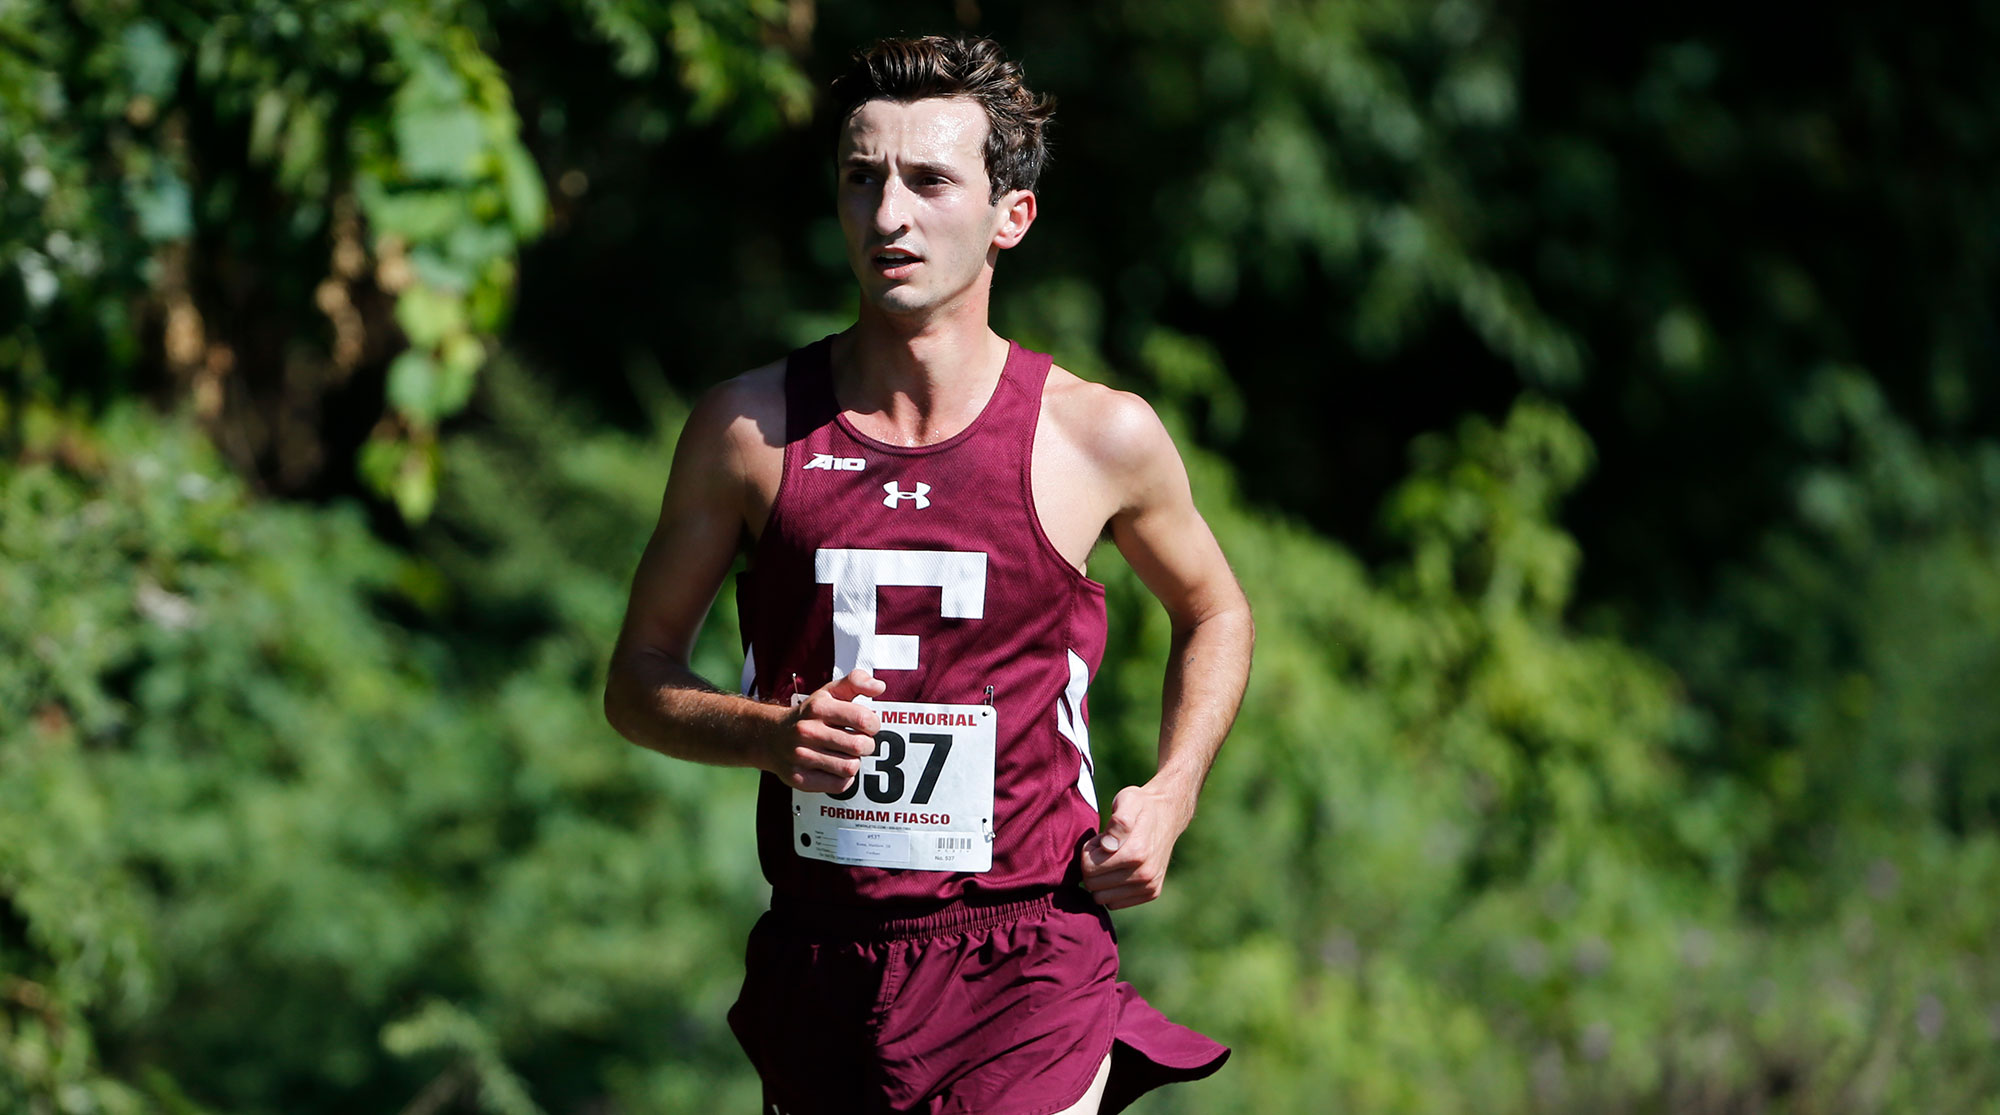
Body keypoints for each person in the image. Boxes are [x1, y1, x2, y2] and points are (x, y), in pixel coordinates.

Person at [603, 33, 1253, 1115]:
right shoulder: (747, 431)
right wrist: (765, 733)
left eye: (928, 180)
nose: (888, 215)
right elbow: (635, 679)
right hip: (822, 960)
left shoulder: (1096, 435)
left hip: (1027, 958)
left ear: (1011, 216)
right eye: (861, 179)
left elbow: (1214, 606)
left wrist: (1173, 790)